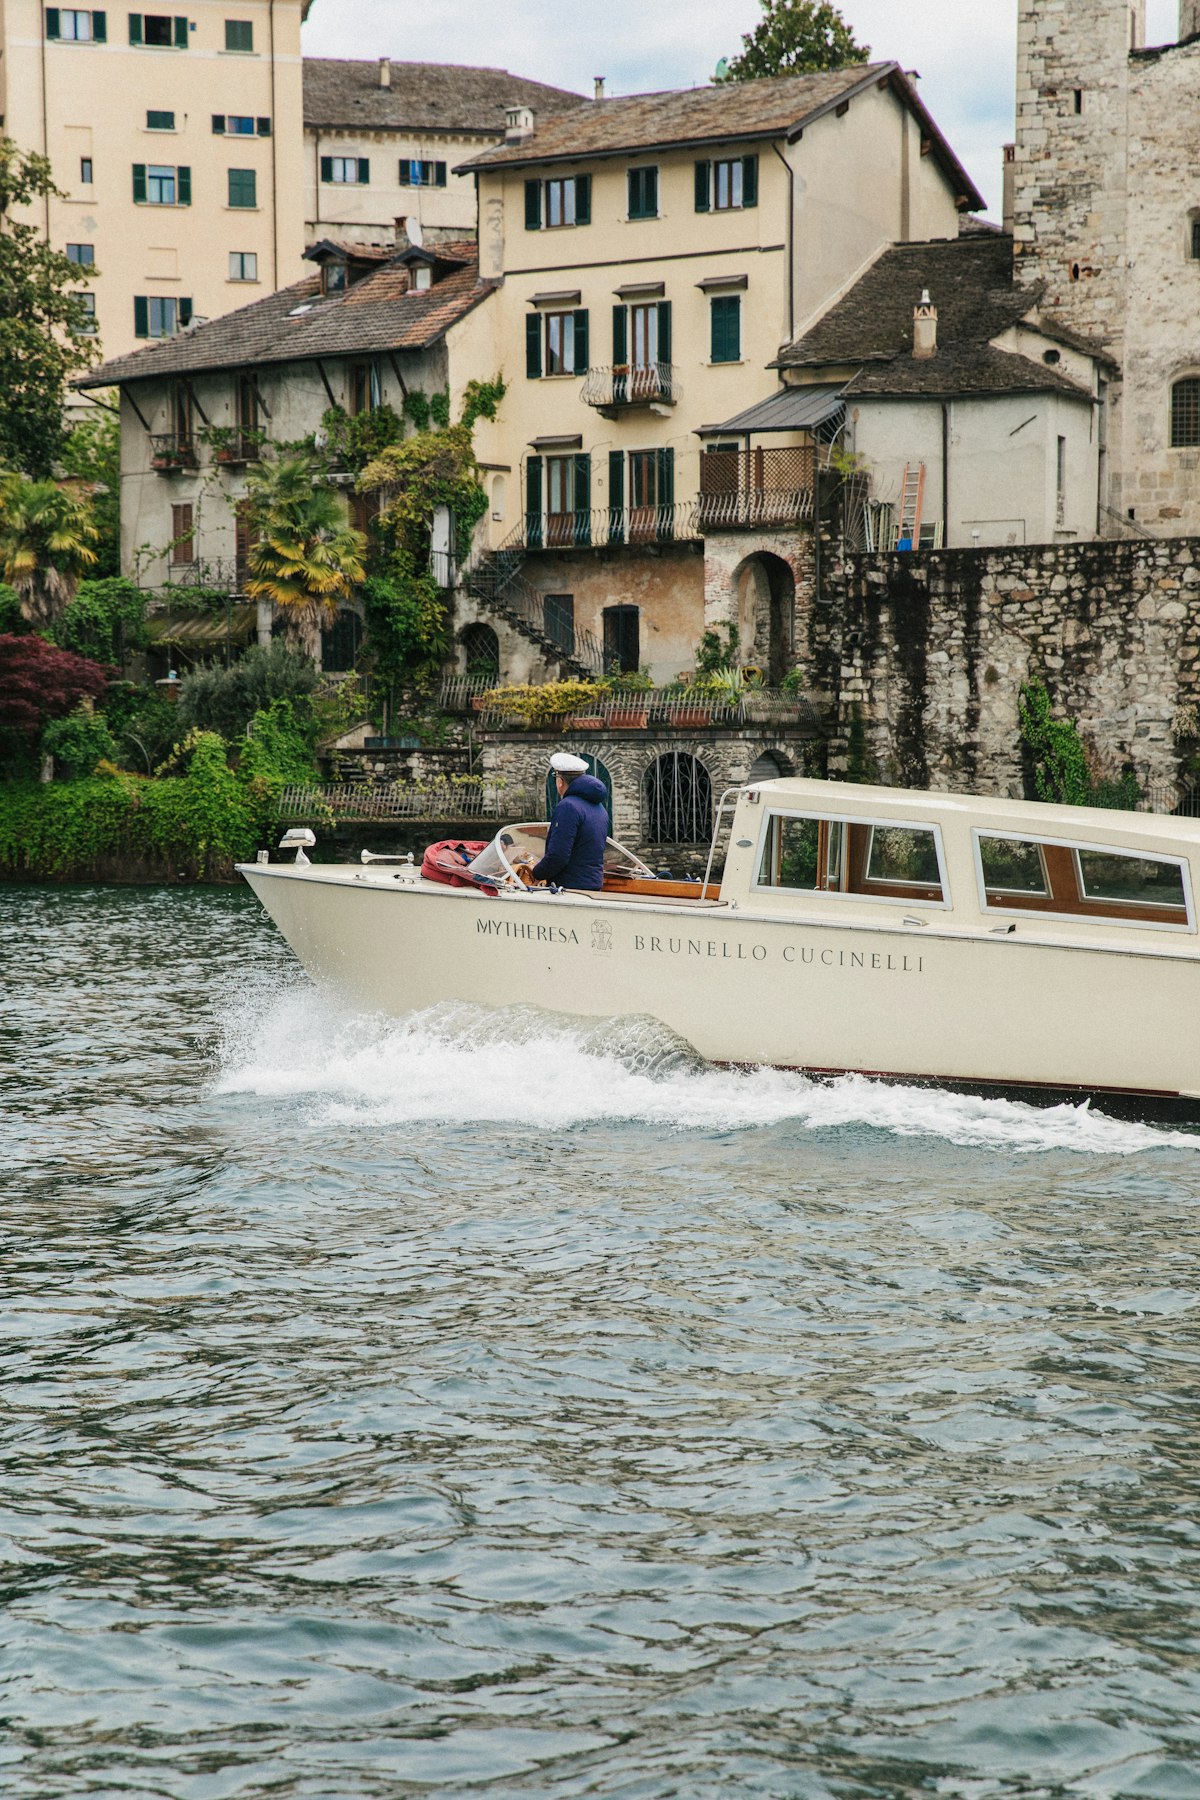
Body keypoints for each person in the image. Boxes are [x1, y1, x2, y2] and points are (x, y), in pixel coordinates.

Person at [530, 752, 610, 890]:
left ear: (560, 781)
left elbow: (558, 856)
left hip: (570, 888)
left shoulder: (568, 806)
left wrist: (536, 873)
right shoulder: (599, 808)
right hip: (593, 885)